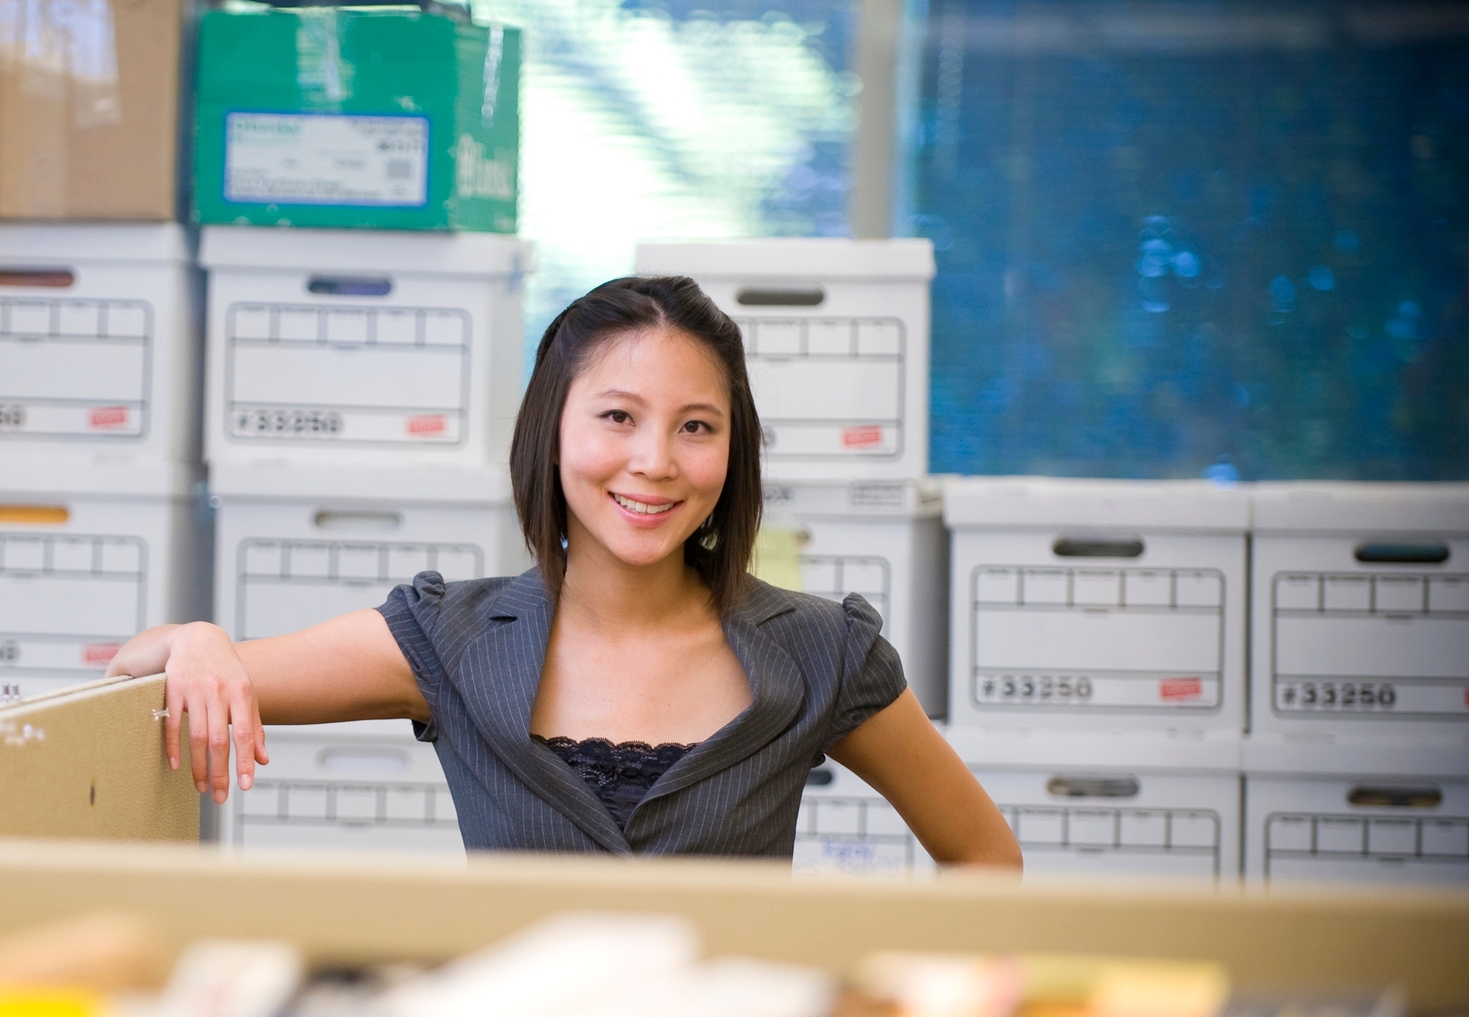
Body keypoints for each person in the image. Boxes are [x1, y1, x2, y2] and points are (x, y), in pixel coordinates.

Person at [106, 275, 1022, 866]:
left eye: (695, 426)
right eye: (617, 417)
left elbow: (984, 856)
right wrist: (198, 640)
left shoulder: (825, 650)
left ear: (732, 450)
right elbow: (138, 667)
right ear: (552, 429)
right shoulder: (449, 642)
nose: (656, 461)